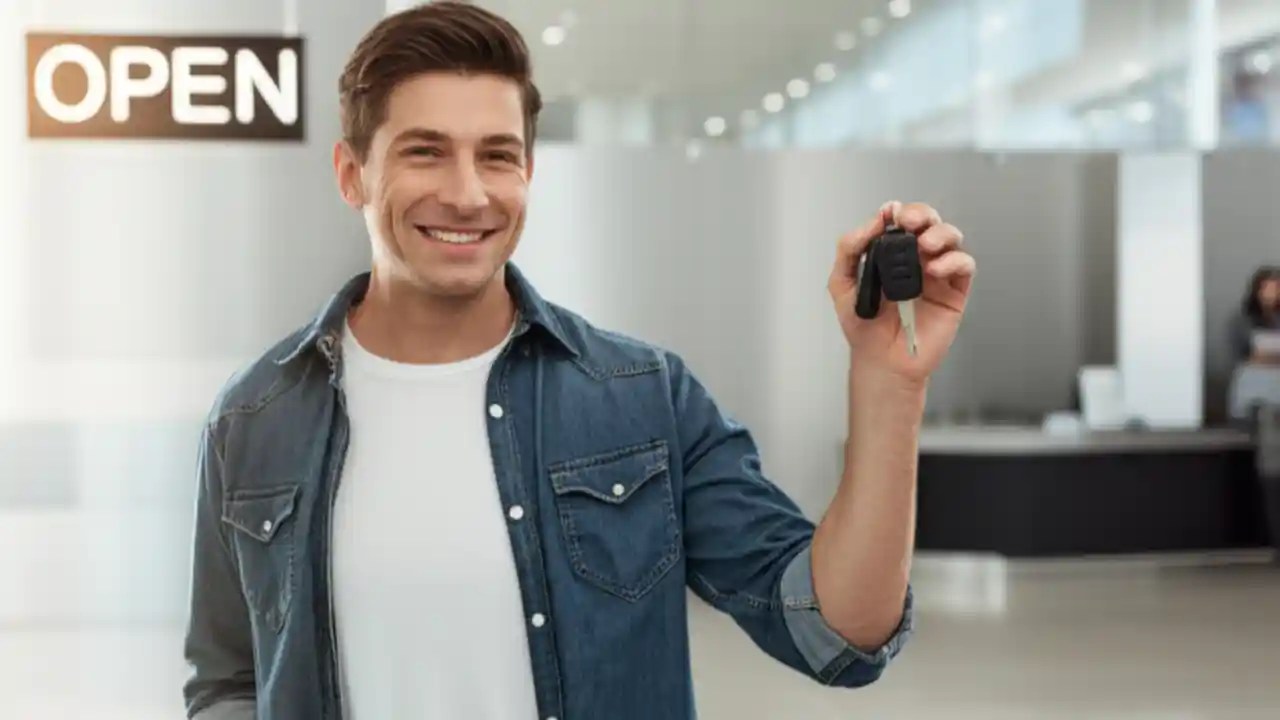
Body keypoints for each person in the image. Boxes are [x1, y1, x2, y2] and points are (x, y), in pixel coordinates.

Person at [181, 3, 975, 719]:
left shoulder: (642, 400)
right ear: (353, 173)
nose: (467, 194)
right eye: (426, 153)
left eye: (496, 156)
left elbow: (835, 630)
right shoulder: (257, 416)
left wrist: (889, 384)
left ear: (527, 172)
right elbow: (228, 682)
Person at [1232, 266, 1280, 365]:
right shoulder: (1242, 320)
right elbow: (1236, 355)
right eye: (1268, 288)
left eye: (1277, 288)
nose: (1273, 293)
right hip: (1254, 373)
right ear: (1257, 290)